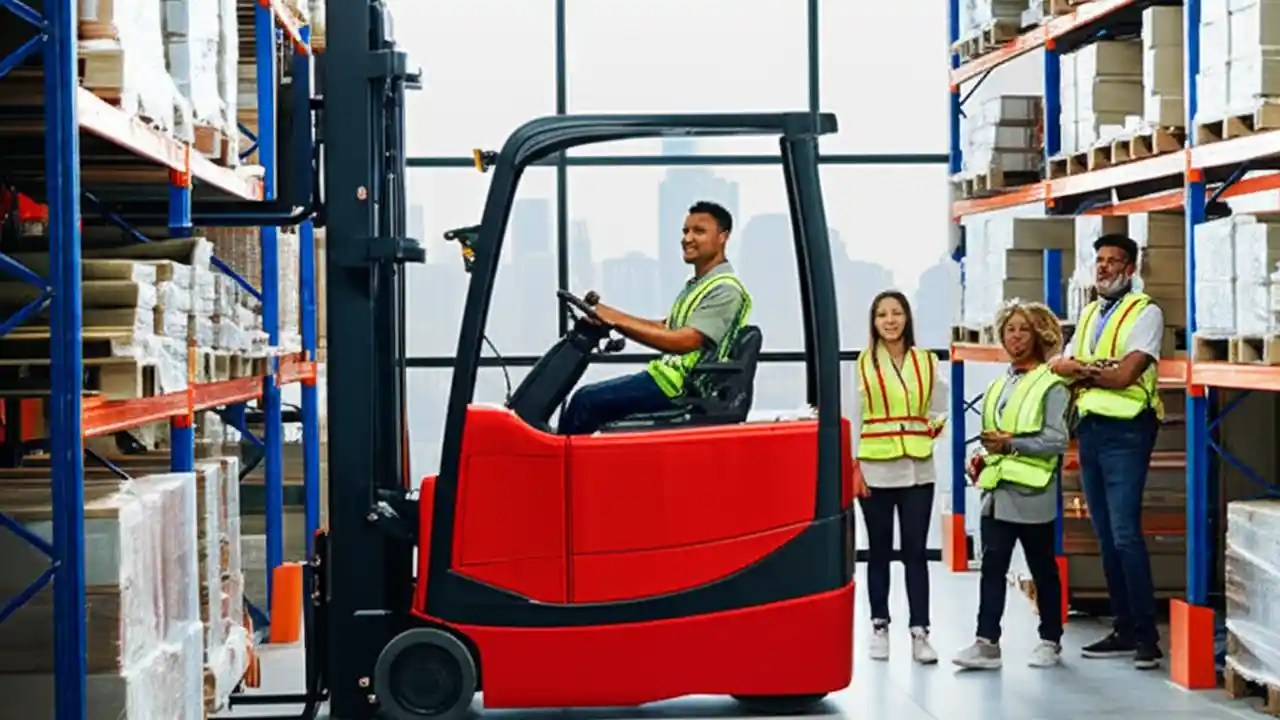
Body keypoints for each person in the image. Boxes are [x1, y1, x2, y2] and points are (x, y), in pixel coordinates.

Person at [1048, 233, 1165, 670]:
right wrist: (1091, 369)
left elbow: (1125, 376)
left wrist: (1085, 371)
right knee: (1105, 533)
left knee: (1125, 532)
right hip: (1092, 430)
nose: (1103, 267)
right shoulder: (1090, 313)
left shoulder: (1146, 312)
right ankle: (1124, 628)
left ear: (1130, 269)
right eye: (1099, 260)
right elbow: (1060, 366)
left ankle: (1147, 638)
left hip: (1127, 431)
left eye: (1113, 261)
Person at [559, 200, 751, 435]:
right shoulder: (700, 285)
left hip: (680, 388)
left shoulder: (725, 290)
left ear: (723, 237)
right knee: (587, 400)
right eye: (685, 231)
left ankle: (556, 460)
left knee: (585, 401)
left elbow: (684, 341)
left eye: (699, 231)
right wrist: (610, 314)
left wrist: (617, 321)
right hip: (666, 380)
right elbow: (666, 327)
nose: (687, 238)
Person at [952, 301, 1069, 671]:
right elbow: (991, 437)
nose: (1016, 336)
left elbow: (1056, 440)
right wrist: (980, 458)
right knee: (992, 567)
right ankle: (986, 643)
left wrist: (1012, 444)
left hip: (1033, 494)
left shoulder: (1051, 385)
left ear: (1039, 335)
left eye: (1023, 329)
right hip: (997, 492)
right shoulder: (999, 385)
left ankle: (1050, 639)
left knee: (1042, 568)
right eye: (1010, 329)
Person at [855, 290, 947, 665]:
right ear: (874, 322)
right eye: (882, 315)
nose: (890, 321)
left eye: (896, 313)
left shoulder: (927, 361)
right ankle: (879, 626)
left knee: (915, 552)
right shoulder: (862, 364)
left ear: (907, 318)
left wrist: (926, 432)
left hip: (918, 469)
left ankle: (920, 632)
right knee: (878, 551)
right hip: (875, 469)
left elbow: (939, 408)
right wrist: (853, 468)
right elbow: (853, 417)